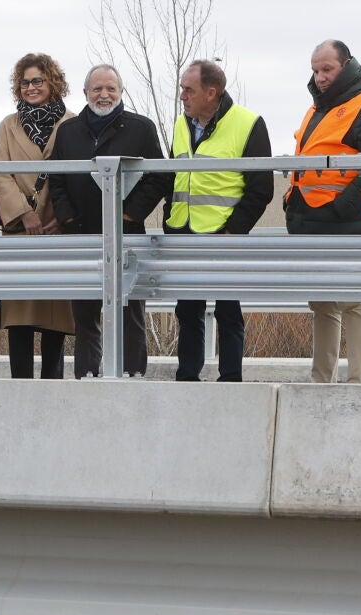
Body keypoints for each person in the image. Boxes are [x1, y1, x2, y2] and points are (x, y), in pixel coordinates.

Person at [125, 59, 274, 382]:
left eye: (188, 89)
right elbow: (173, 178)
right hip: (183, 232)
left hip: (223, 235)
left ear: (212, 92)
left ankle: (231, 378)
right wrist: (151, 215)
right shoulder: (182, 123)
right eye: (182, 89)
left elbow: (261, 189)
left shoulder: (248, 124)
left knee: (227, 310)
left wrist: (233, 230)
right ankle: (187, 375)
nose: (182, 96)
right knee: (188, 310)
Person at [287, 40, 361, 384]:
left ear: (346, 65)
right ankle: (321, 380)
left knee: (352, 301)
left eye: (327, 70)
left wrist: (342, 207)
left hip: (352, 221)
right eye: (315, 71)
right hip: (313, 221)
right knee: (322, 302)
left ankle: (359, 384)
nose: (320, 77)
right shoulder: (317, 108)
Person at [49, 64, 163, 378]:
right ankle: (87, 378)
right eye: (97, 88)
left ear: (121, 92)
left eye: (111, 88)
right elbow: (56, 181)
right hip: (83, 236)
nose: (104, 94)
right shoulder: (68, 132)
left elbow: (158, 178)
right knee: (85, 318)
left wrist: (128, 214)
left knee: (130, 314)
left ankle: (134, 377)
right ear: (86, 93)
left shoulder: (141, 128)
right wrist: (69, 219)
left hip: (128, 237)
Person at [0, 53, 75, 380]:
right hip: (20, 231)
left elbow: (76, 176)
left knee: (55, 317)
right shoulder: (8, 125)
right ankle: (19, 385)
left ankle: (52, 385)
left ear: (52, 82)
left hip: (57, 230)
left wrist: (63, 218)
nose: (30, 87)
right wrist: (23, 213)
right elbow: (1, 174)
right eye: (24, 82)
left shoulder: (71, 122)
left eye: (37, 80)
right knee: (20, 318)